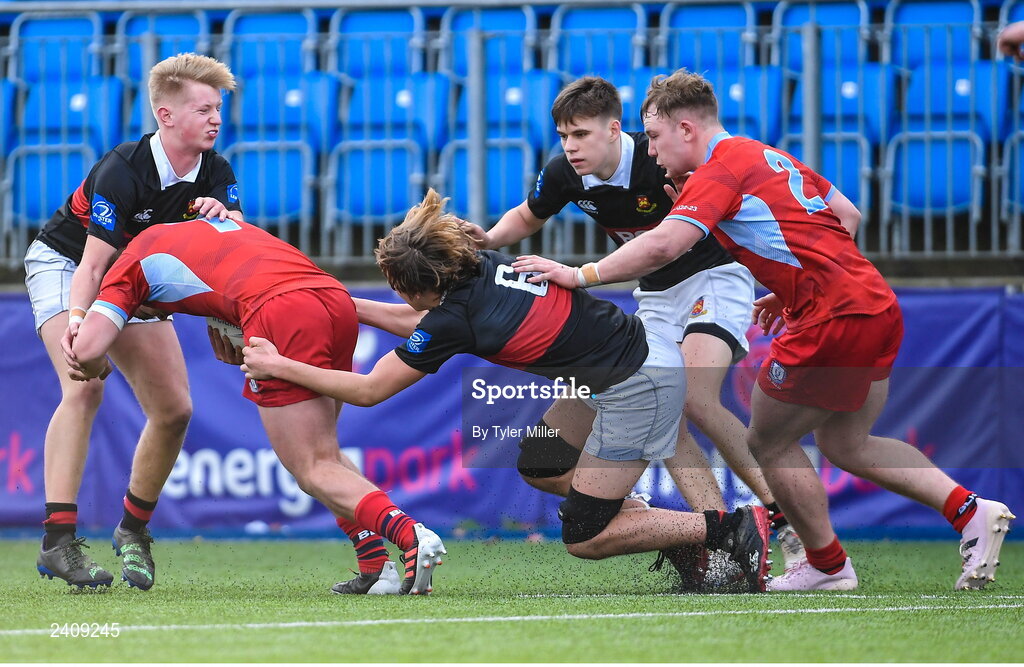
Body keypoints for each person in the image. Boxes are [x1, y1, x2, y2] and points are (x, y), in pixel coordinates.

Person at [513, 68, 1015, 591]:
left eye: (656, 138)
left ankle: (819, 561)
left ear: (687, 129)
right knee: (848, 445)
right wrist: (795, 283)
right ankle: (969, 511)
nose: (653, 152)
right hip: (875, 304)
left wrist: (577, 274)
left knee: (765, 438)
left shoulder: (716, 172)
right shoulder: (764, 153)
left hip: (830, 318)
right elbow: (847, 214)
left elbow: (662, 246)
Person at [241, 188, 773, 594]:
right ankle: (662, 530)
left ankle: (726, 528)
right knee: (541, 464)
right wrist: (347, 304)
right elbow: (419, 319)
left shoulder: (454, 318)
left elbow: (368, 390)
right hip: (625, 361)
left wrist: (280, 364)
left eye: (402, 285)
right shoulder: (478, 266)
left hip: (637, 385)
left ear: (426, 284)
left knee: (584, 537)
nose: (403, 296)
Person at [460, 76, 805, 576]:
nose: (571, 146)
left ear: (614, 128)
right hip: (656, 296)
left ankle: (784, 517)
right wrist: (490, 238)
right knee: (660, 404)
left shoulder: (659, 156)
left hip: (715, 277)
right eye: (563, 136)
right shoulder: (565, 174)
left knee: (691, 397)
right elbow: (528, 214)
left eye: (580, 134)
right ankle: (723, 536)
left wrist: (580, 276)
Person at [64, 216, 446, 596]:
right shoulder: (193, 224)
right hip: (333, 298)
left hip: (281, 310)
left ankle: (409, 534)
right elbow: (240, 277)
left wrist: (96, 359)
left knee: (311, 466)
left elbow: (86, 351)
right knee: (324, 454)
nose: (157, 316)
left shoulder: (125, 270)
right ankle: (376, 567)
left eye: (146, 315)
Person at [24, 53, 244, 590]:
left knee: (174, 410)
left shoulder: (217, 172)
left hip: (135, 280)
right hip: (67, 264)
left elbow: (233, 254)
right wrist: (79, 321)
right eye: (203, 109)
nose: (216, 119)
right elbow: (94, 264)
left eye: (219, 108)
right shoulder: (123, 167)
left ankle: (133, 531)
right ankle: (58, 541)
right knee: (84, 386)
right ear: (165, 116)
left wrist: (227, 317)